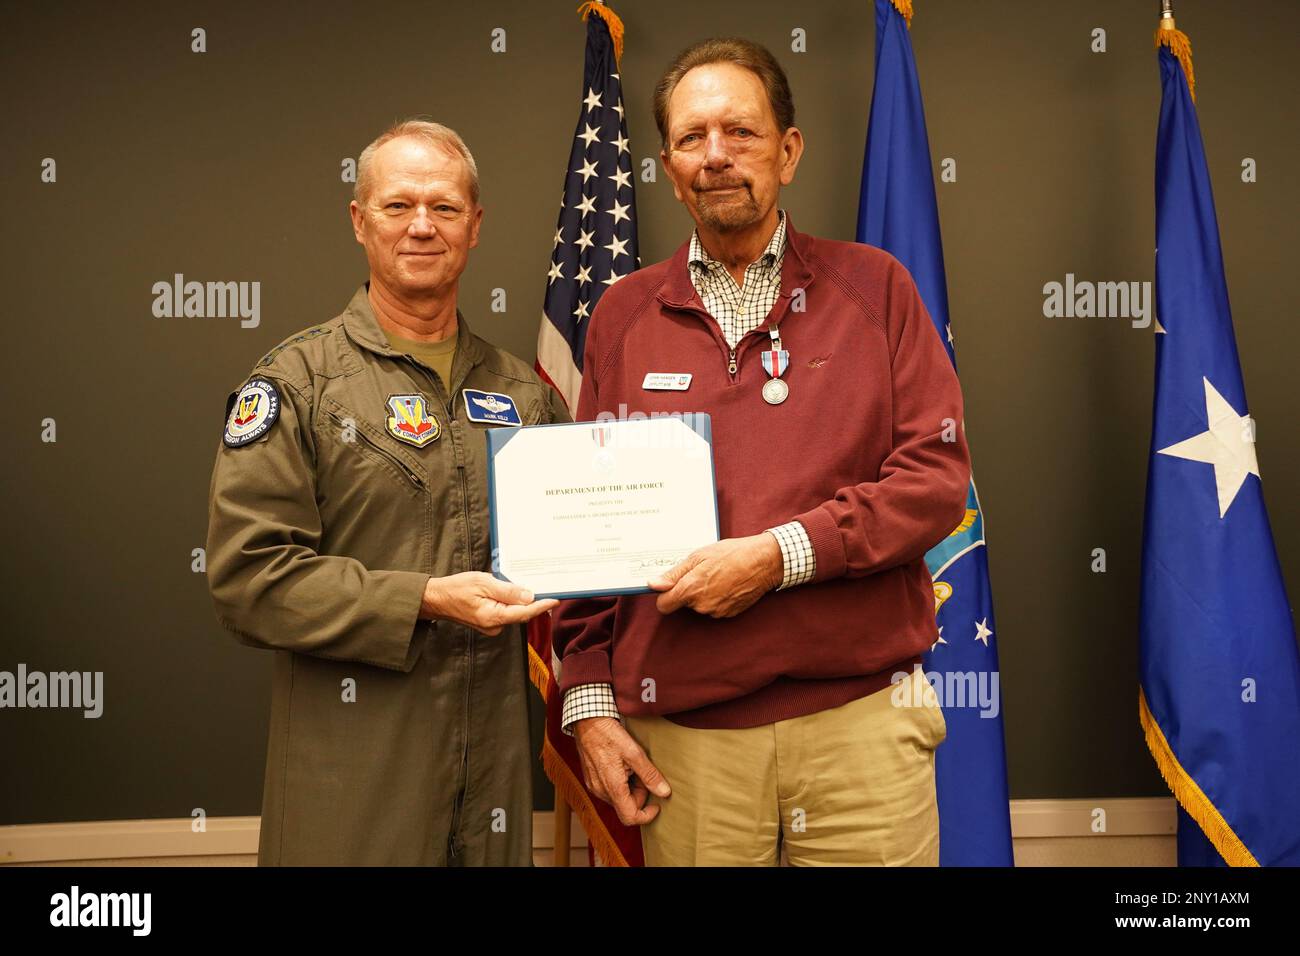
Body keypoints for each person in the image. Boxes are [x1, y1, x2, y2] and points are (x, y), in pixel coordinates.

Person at [553, 38, 971, 866]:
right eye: (691, 138)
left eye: (740, 133)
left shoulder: (877, 288)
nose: (716, 156)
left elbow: (934, 480)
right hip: (686, 746)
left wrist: (780, 556)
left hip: (862, 730)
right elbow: (584, 543)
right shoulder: (620, 318)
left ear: (788, 150)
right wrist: (591, 707)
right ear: (667, 167)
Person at [206, 119, 566, 866]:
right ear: (359, 221)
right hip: (354, 788)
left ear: (475, 225)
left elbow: (577, 554)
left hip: (494, 784)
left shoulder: (523, 395)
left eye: (444, 206)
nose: (422, 226)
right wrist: (424, 598)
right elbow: (247, 579)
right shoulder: (296, 385)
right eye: (398, 206)